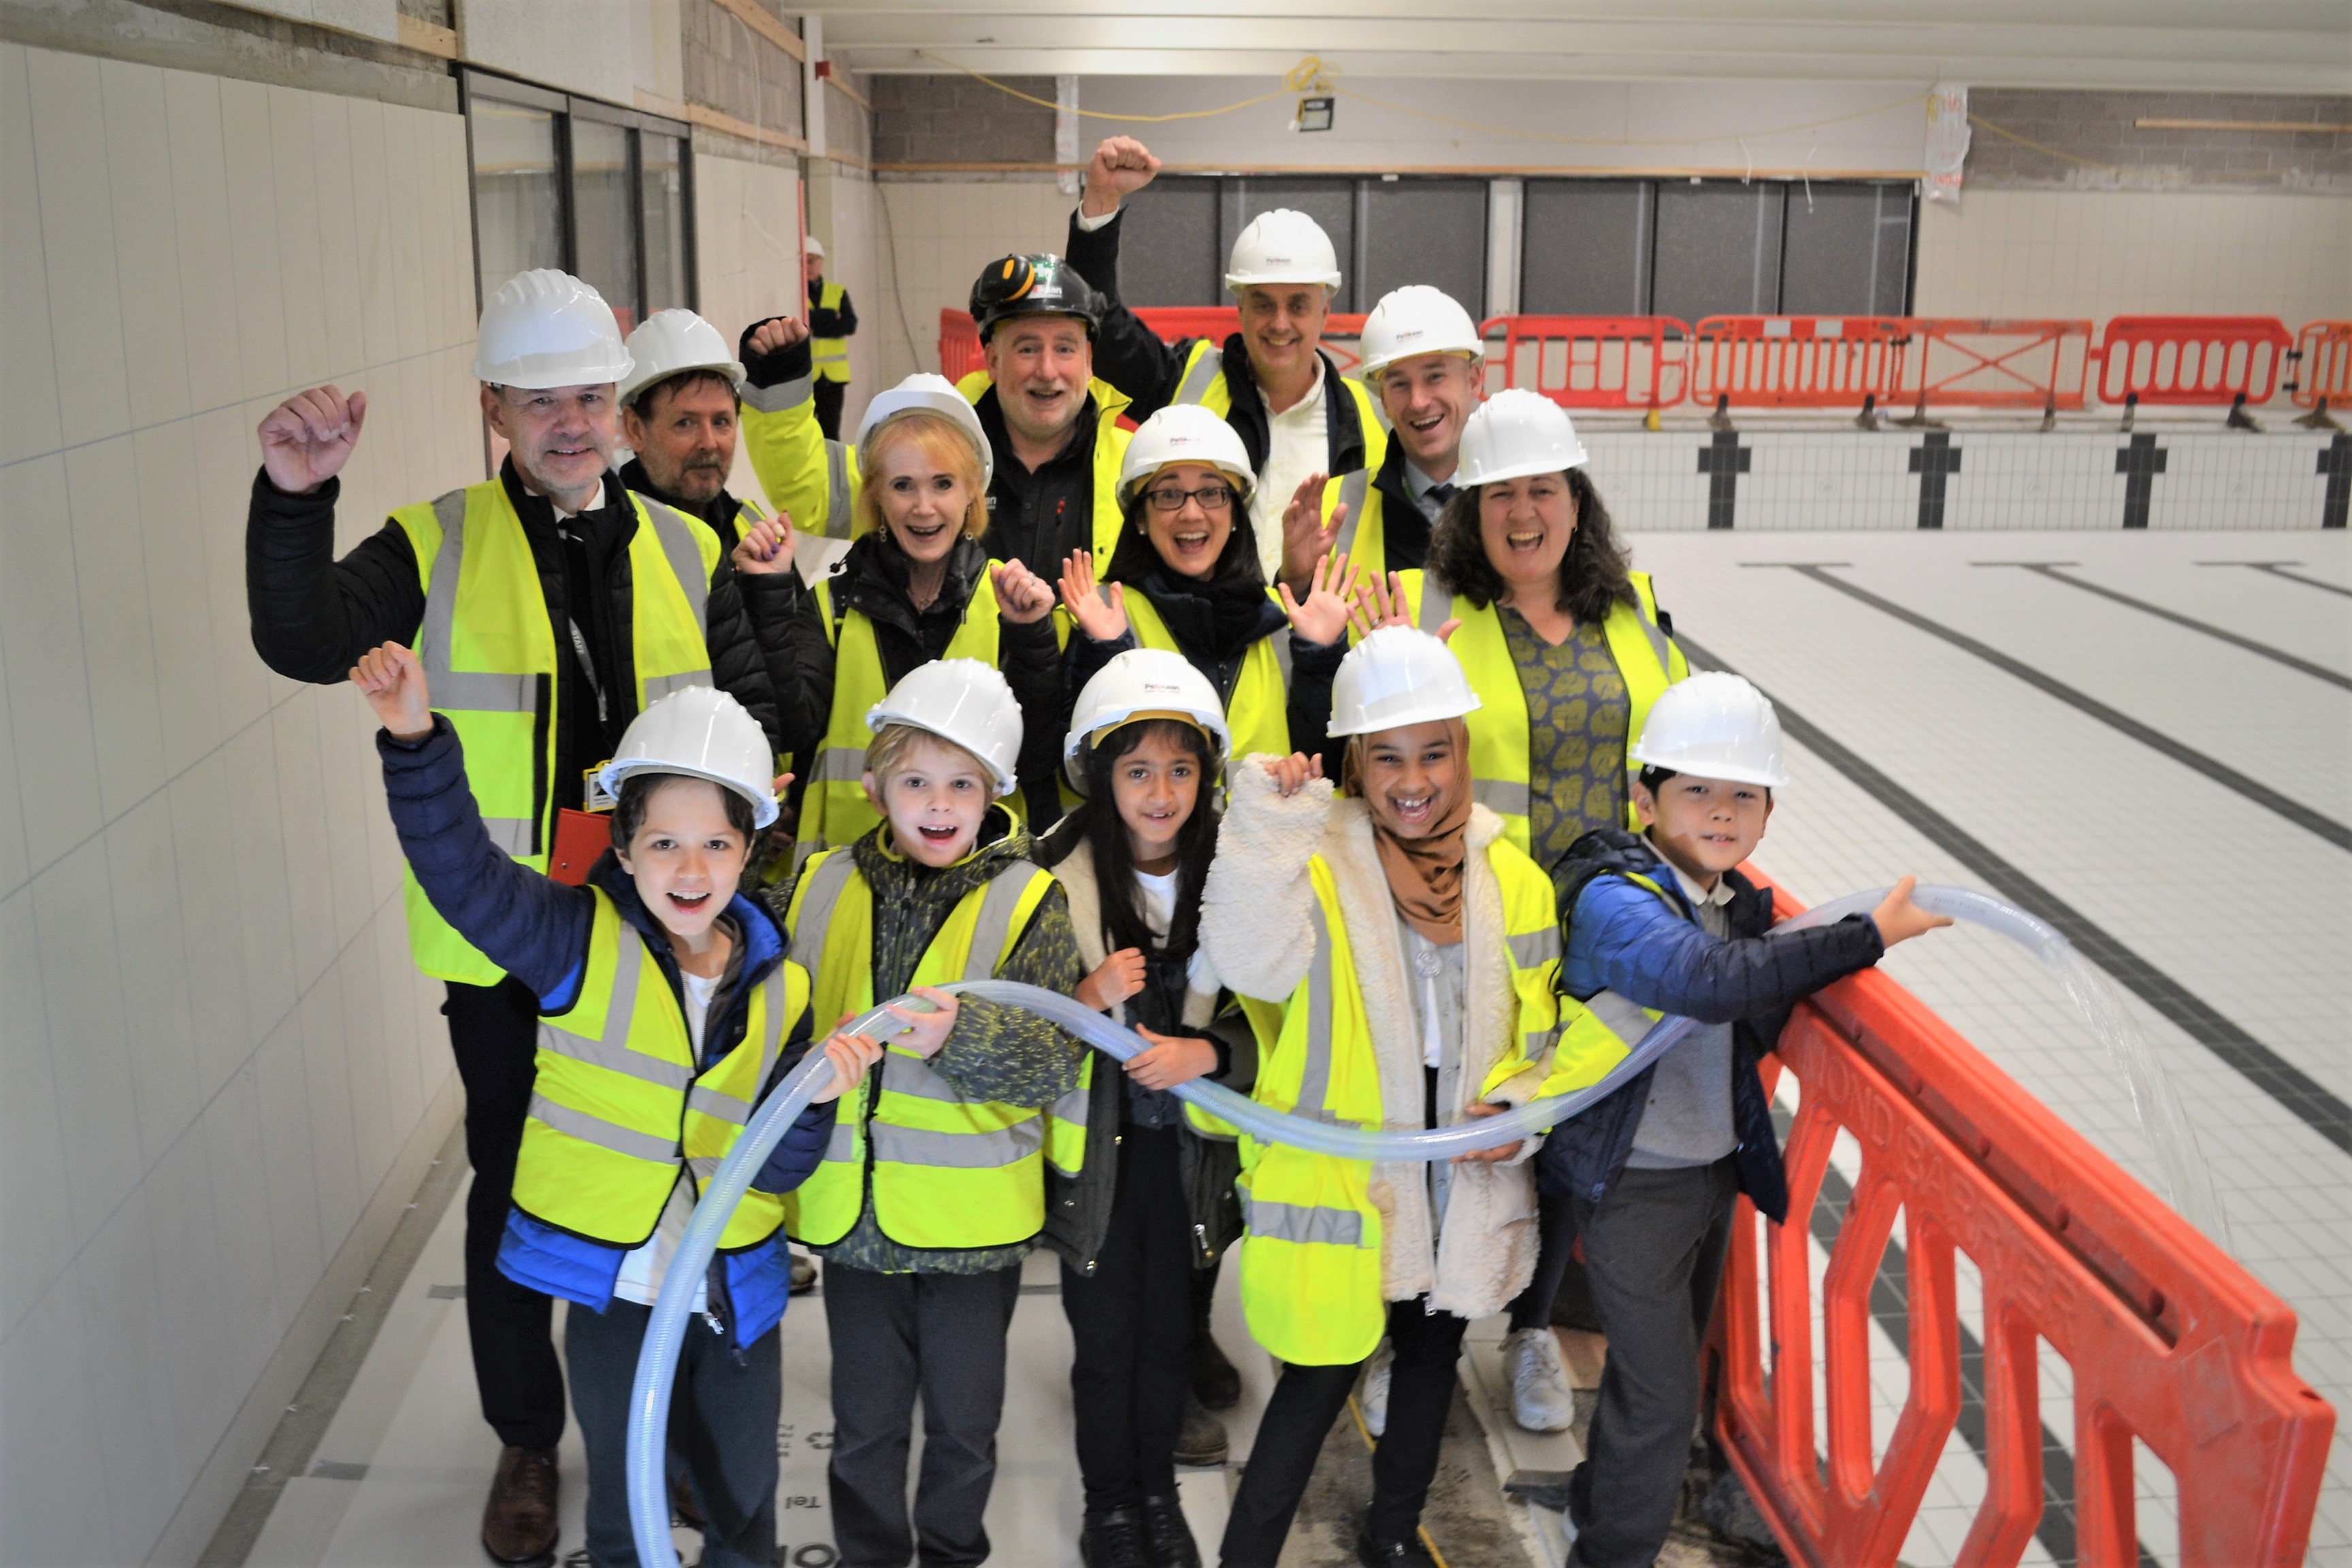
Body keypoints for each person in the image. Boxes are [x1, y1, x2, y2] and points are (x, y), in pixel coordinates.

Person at [247, 268, 787, 1565]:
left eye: (592, 399)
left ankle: (659, 1431)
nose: (570, 423)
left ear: (618, 406)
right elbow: (304, 636)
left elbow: (768, 711)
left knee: (678, 1169)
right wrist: (293, 498)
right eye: (540, 401)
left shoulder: (687, 543)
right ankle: (530, 1437)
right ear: (492, 407)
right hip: (511, 945)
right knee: (515, 1192)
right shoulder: (431, 538)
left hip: (666, 929)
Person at [347, 658, 883, 1568]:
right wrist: (413, 742)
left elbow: (782, 1170)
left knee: (742, 1503)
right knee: (623, 1508)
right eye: (664, 843)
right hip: (622, 1294)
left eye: (716, 844)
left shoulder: (782, 989)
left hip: (733, 1294)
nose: (690, 869)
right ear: (623, 847)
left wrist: (815, 1103)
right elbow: (465, 878)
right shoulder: (568, 940)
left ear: (749, 850)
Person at [1488, 673, 1950, 1568]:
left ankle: (1594, 1498)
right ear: (1645, 797)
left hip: (1707, 1173)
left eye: (1745, 793)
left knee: (1654, 1374)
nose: (1723, 811)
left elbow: (1755, 987)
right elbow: (1704, 980)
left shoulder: (1737, 900)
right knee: (1665, 1399)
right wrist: (1868, 935)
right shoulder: (1615, 900)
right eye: (1696, 789)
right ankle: (1610, 1554)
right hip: (1631, 1186)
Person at [1350, 389, 1693, 1427]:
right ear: (1470, 512)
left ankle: (1533, 1330)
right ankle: (1398, 1330)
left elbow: (1675, 759)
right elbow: (1374, 752)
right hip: (1472, 923)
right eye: (1499, 495)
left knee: (1571, 1154)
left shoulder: (1633, 610)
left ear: (1575, 501)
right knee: (1443, 1131)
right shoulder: (1427, 609)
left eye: (1543, 489)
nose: (1522, 513)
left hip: (1607, 931)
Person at [1196, 627, 1567, 1568]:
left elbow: (1546, 1035)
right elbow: (1245, 957)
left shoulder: (1509, 877)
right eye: (1388, 756)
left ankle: (1395, 1534)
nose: (1414, 780)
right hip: (1348, 1180)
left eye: (1434, 753)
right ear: (1357, 764)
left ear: (1463, 753)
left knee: (1435, 1358)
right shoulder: (1318, 861)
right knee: (1317, 1383)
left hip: (1459, 1173)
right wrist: (1265, 827)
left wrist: (1522, 1110)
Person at [775, 659, 1089, 1568]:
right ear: (875, 786)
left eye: (962, 783)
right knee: (865, 1424)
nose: (939, 804)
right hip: (856, 1222)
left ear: (993, 790)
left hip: (970, 1232)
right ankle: (871, 1555)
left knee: (963, 1423)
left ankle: (952, 1551)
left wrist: (961, 1032)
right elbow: (779, 1016)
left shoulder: (1030, 897)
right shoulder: (822, 883)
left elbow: (1052, 1055)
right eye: (916, 781)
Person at [1035, 651, 1252, 1568]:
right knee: (1106, 1342)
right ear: (1099, 776)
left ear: (1207, 777)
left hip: (1190, 1161)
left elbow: (1274, 1013)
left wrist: (1210, 1052)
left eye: (1180, 769)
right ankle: (1110, 1506)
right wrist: (1082, 995)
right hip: (1099, 1163)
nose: (1160, 792)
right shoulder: (1053, 876)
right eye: (1137, 770)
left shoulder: (1239, 877)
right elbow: (1015, 1013)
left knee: (1169, 1334)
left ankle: (1158, 1494)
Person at [734, 374, 1068, 857]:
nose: (924, 507)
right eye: (903, 485)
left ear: (973, 493)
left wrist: (1032, 638)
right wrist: (768, 592)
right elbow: (793, 728)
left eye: (944, 484)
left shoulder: (1013, 603)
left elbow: (1035, 758)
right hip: (848, 879)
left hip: (974, 881)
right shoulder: (831, 605)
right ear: (876, 497)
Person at [1062, 136, 1386, 593]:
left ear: (1325, 311)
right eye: (1262, 303)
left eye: (1297, 305)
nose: (1279, 323)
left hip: (1328, 649)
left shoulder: (1372, 420)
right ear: (1238, 308)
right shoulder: (1187, 380)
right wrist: (1101, 201)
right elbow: (1104, 330)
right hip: (1209, 647)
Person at [738, 254, 1132, 577]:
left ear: (1088, 362)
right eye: (1027, 349)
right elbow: (815, 490)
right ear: (993, 361)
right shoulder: (930, 445)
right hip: (952, 673)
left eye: (1065, 349)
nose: (1047, 371)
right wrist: (779, 388)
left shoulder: (1133, 467)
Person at [1058, 405, 1356, 785]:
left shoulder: (1283, 621)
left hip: (1271, 842)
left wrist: (1321, 658)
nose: (1192, 513)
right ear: (1139, 519)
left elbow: (1331, 767)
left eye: (1212, 493)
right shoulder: (1103, 615)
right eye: (1169, 494)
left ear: (1234, 514)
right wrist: (1105, 653)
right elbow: (1083, 777)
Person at [1307, 285, 1487, 581]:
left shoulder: (1521, 497)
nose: (1418, 402)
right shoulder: (1334, 507)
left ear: (1474, 380)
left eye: (1435, 377)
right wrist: (1296, 579)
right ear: (1385, 401)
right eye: (1400, 384)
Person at [804, 234, 858, 439]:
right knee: (808, 433)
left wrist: (816, 324)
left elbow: (850, 325)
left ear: (821, 263)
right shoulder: (795, 291)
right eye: (804, 261)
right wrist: (829, 317)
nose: (808, 266)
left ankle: (832, 471)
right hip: (807, 377)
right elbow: (801, 321)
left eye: (812, 261)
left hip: (834, 377)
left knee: (831, 432)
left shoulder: (837, 292)